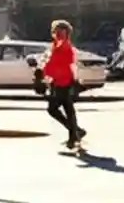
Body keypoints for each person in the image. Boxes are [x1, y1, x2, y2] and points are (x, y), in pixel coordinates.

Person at [42, 19, 86, 150]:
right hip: (60, 81)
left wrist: (46, 71)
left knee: (53, 109)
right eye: (55, 31)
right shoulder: (57, 45)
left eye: (59, 31)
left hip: (63, 82)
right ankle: (75, 134)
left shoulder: (63, 45)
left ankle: (75, 133)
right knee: (68, 109)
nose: (56, 33)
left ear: (66, 33)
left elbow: (58, 63)